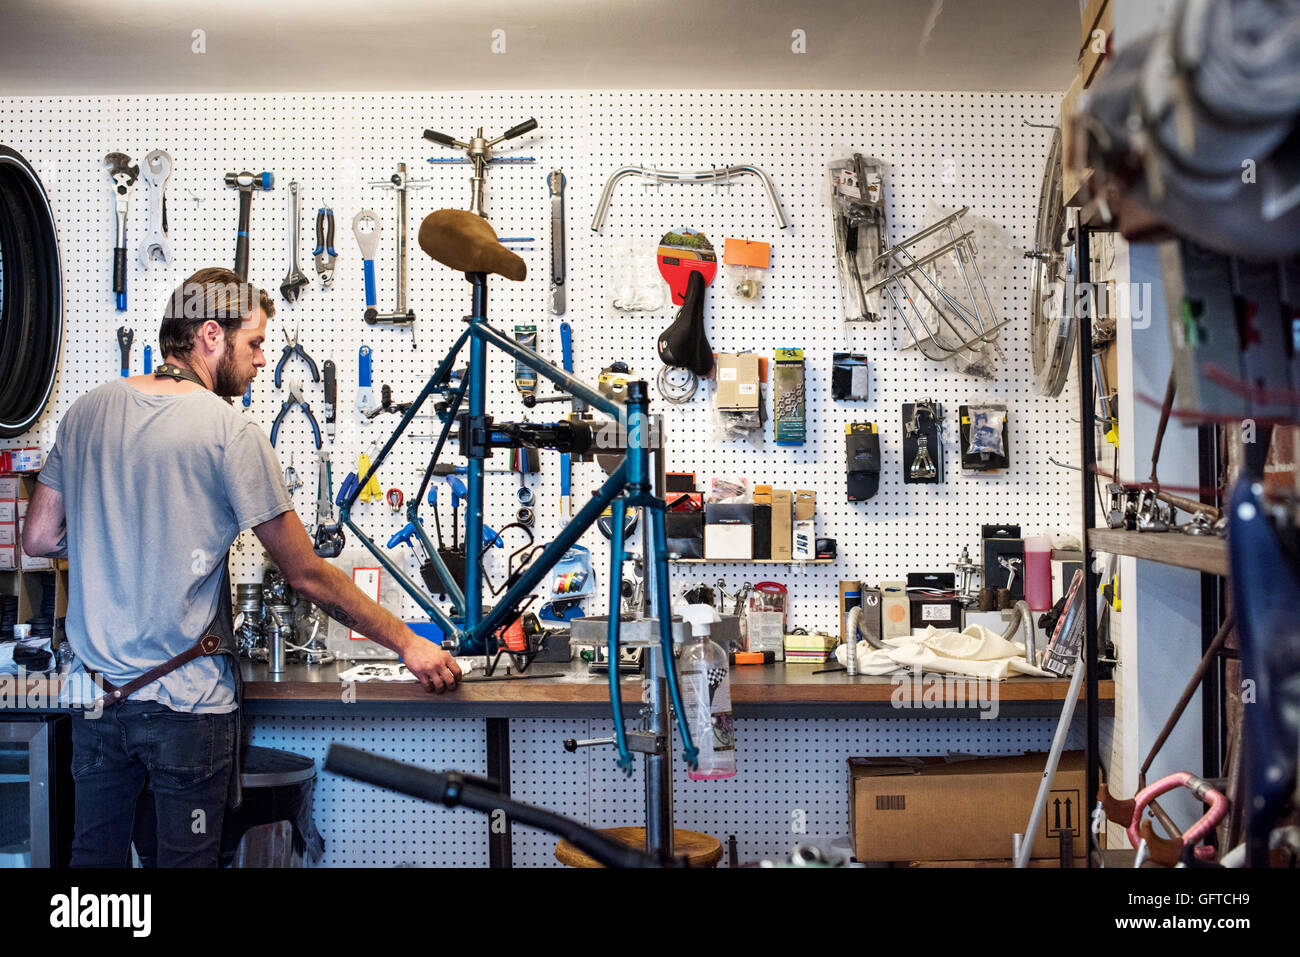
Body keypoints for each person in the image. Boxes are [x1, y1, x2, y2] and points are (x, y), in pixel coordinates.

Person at [21, 267, 460, 867]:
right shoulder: (231, 432)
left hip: (98, 701)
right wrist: (407, 641)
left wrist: (113, 533)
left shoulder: (88, 410)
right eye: (253, 344)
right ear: (209, 335)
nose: (259, 362)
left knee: (93, 868)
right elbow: (304, 573)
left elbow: (40, 538)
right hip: (186, 710)